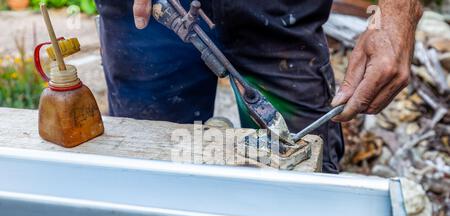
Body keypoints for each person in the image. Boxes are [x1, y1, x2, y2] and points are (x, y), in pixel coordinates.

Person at [95, 0, 423, 173]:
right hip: (150, 11)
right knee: (148, 178)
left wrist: (398, 9)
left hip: (279, 10)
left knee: (304, 184)